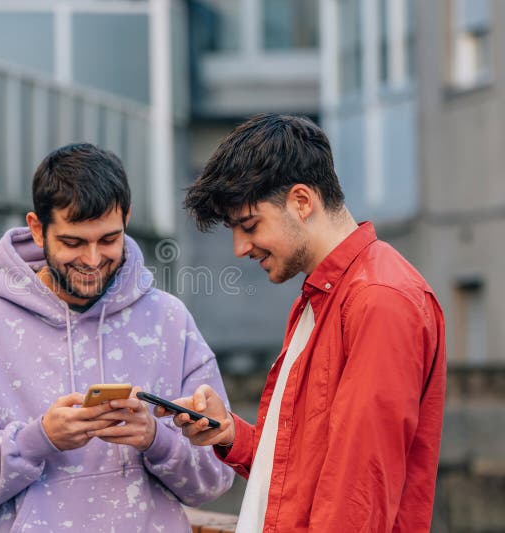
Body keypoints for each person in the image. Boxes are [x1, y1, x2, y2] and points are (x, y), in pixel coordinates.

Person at [0, 143, 234, 531]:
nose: (92, 259)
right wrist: (39, 439)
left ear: (127, 219)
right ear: (38, 229)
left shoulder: (169, 320)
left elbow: (217, 477)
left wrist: (157, 439)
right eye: (73, 242)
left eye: (108, 240)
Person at [166, 113, 446, 532]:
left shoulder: (378, 299)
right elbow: (304, 469)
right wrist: (229, 434)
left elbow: (357, 494)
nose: (240, 248)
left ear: (301, 201)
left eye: (248, 225)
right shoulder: (325, 296)